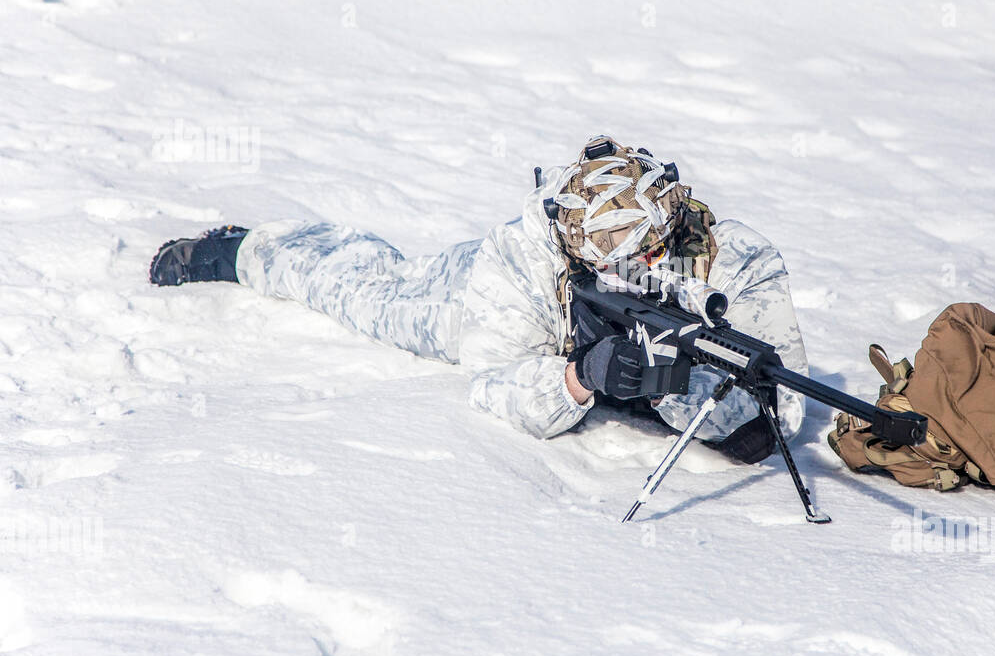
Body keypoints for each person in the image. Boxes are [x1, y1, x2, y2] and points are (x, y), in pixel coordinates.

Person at [149, 136, 809, 462]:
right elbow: (493, 382)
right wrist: (582, 379)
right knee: (361, 292)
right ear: (577, 249)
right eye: (623, 264)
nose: (649, 270)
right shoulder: (526, 256)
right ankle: (244, 250)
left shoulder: (739, 262)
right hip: (473, 300)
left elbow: (787, 410)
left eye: (655, 253)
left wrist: (672, 388)